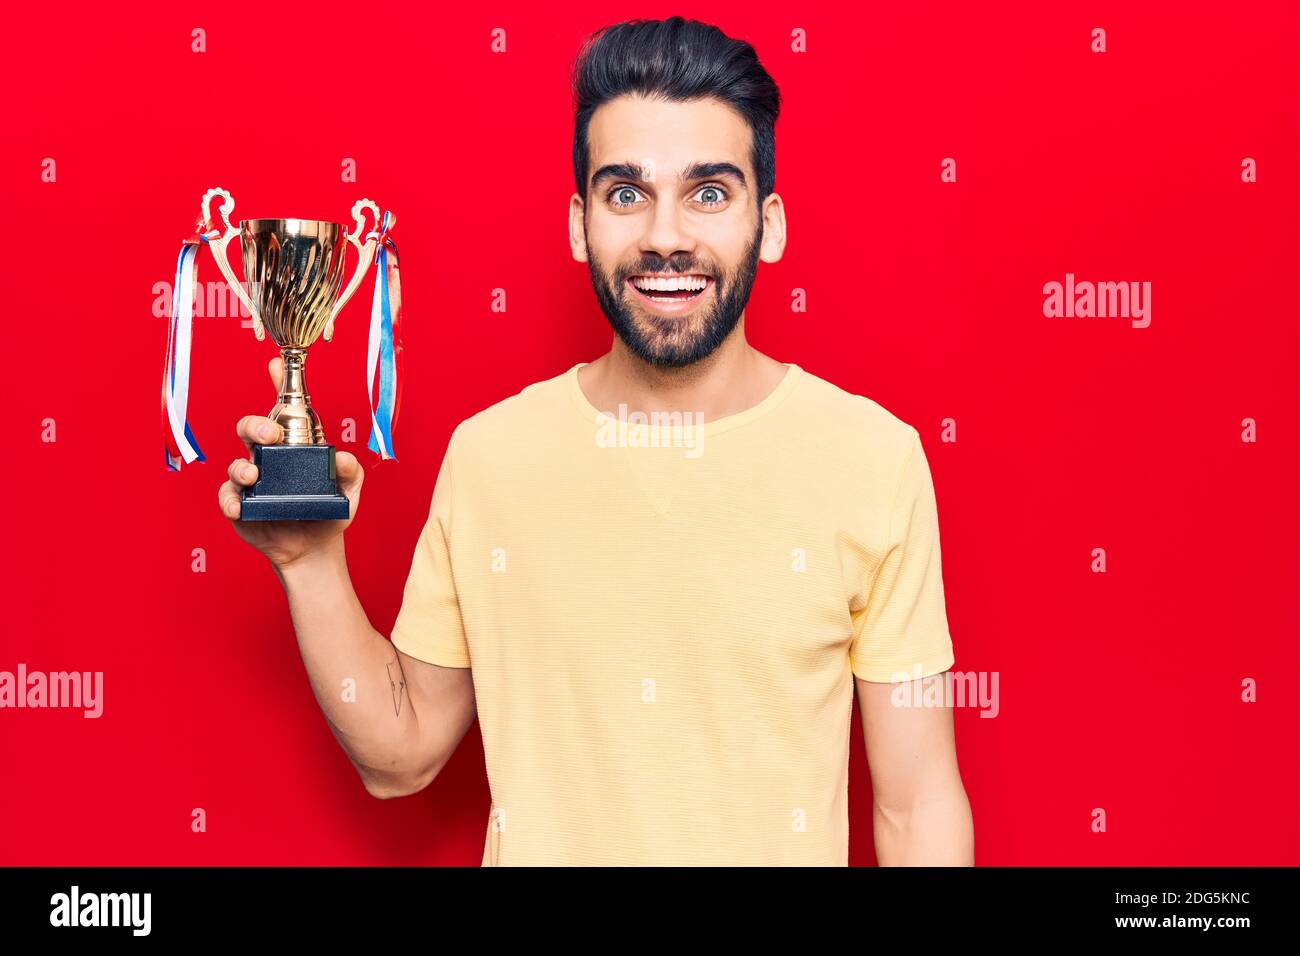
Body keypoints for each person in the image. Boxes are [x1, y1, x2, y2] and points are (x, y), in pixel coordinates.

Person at [217, 16, 973, 866]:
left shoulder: (874, 460)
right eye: (626, 194)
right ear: (581, 224)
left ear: (771, 222)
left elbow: (916, 807)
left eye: (710, 192)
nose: (665, 235)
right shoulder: (490, 458)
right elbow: (402, 756)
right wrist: (309, 564)